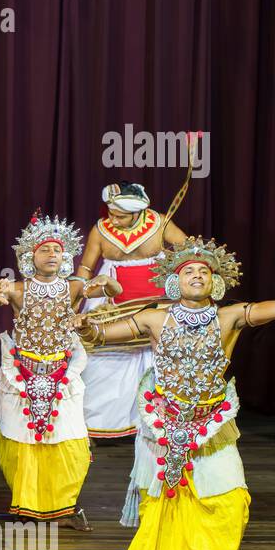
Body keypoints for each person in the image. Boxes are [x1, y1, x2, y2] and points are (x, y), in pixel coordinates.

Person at [74, 237, 275, 550]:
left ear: (214, 281)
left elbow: (274, 309)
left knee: (229, 500)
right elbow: (102, 335)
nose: (196, 275)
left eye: (203, 271)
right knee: (165, 504)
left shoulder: (226, 317)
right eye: (188, 272)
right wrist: (85, 327)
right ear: (173, 281)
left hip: (211, 427)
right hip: (162, 427)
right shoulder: (155, 317)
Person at [0, 213, 120, 529]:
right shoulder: (16, 289)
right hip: (23, 376)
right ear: (28, 256)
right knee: (23, 445)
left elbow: (114, 289)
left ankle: (65, 508)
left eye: (58, 250)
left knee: (70, 444)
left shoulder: (75, 287)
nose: (53, 255)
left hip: (62, 376)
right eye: (44, 250)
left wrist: (108, 282)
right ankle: (29, 508)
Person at [76, 182, 187, 442]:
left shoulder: (160, 222)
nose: (113, 219)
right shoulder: (101, 229)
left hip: (157, 300)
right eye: (111, 213)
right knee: (103, 357)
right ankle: (94, 426)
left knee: (159, 356)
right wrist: (76, 294)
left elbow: (191, 253)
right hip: (111, 299)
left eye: (121, 216)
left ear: (137, 212)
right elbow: (85, 269)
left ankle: (162, 424)